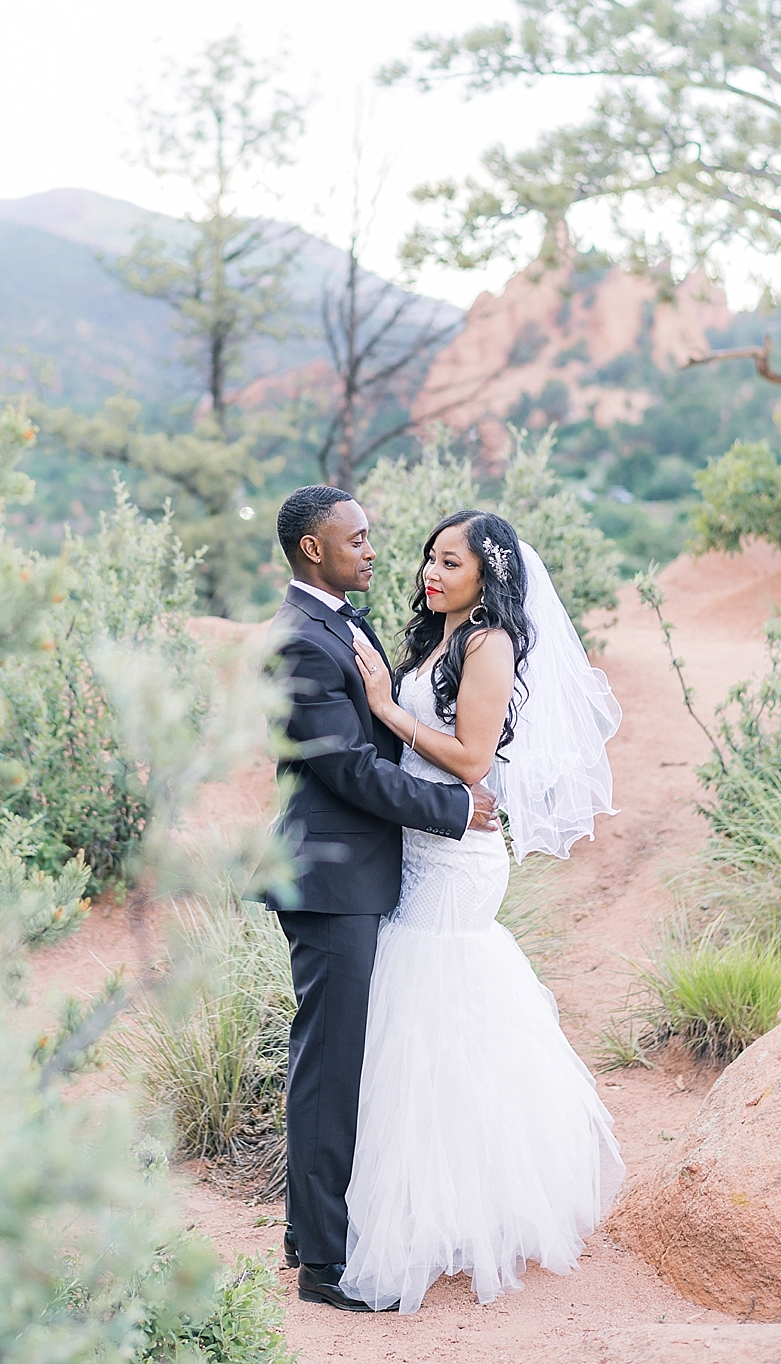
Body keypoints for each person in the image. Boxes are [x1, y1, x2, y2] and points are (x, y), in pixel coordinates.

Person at [340, 509, 623, 1313]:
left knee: (436, 1020)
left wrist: (385, 707)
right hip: (419, 845)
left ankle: (453, 1220)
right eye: (430, 559)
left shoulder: (489, 643)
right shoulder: (437, 639)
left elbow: (470, 758)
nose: (432, 573)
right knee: (423, 1026)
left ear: (487, 572)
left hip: (457, 858)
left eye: (451, 562)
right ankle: (437, 1209)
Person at [264, 486, 500, 1312]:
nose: (373, 549)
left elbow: (384, 733)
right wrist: (456, 808)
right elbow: (348, 771)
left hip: (364, 875)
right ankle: (324, 1265)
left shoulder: (346, 622)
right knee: (331, 1067)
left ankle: (309, 1229)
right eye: (356, 538)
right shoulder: (300, 639)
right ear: (313, 551)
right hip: (329, 880)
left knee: (342, 1059)